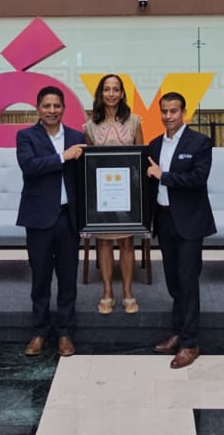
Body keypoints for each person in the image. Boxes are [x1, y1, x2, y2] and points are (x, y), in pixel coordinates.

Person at [144, 91, 215, 369]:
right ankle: (178, 331)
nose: (168, 116)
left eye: (173, 111)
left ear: (184, 112)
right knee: (173, 280)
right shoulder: (153, 144)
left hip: (190, 222)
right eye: (164, 111)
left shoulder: (200, 142)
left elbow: (198, 178)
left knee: (188, 280)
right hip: (164, 219)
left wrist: (165, 176)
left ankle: (190, 343)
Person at [15, 85, 87, 357]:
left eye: (57, 106)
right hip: (38, 218)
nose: (52, 111)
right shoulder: (25, 136)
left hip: (68, 217)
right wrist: (62, 157)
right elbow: (29, 167)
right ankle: (39, 332)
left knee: (68, 278)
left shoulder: (77, 136)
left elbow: (84, 178)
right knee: (40, 278)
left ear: (63, 109)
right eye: (47, 106)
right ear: (38, 109)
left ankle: (65, 333)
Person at [83, 74, 142, 316]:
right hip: (102, 195)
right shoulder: (89, 126)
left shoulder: (135, 121)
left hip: (128, 194)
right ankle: (107, 291)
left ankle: (128, 292)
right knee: (104, 242)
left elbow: (141, 156)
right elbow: (88, 164)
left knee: (127, 242)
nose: (111, 94)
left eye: (115, 89)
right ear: (100, 93)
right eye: (106, 89)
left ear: (122, 93)